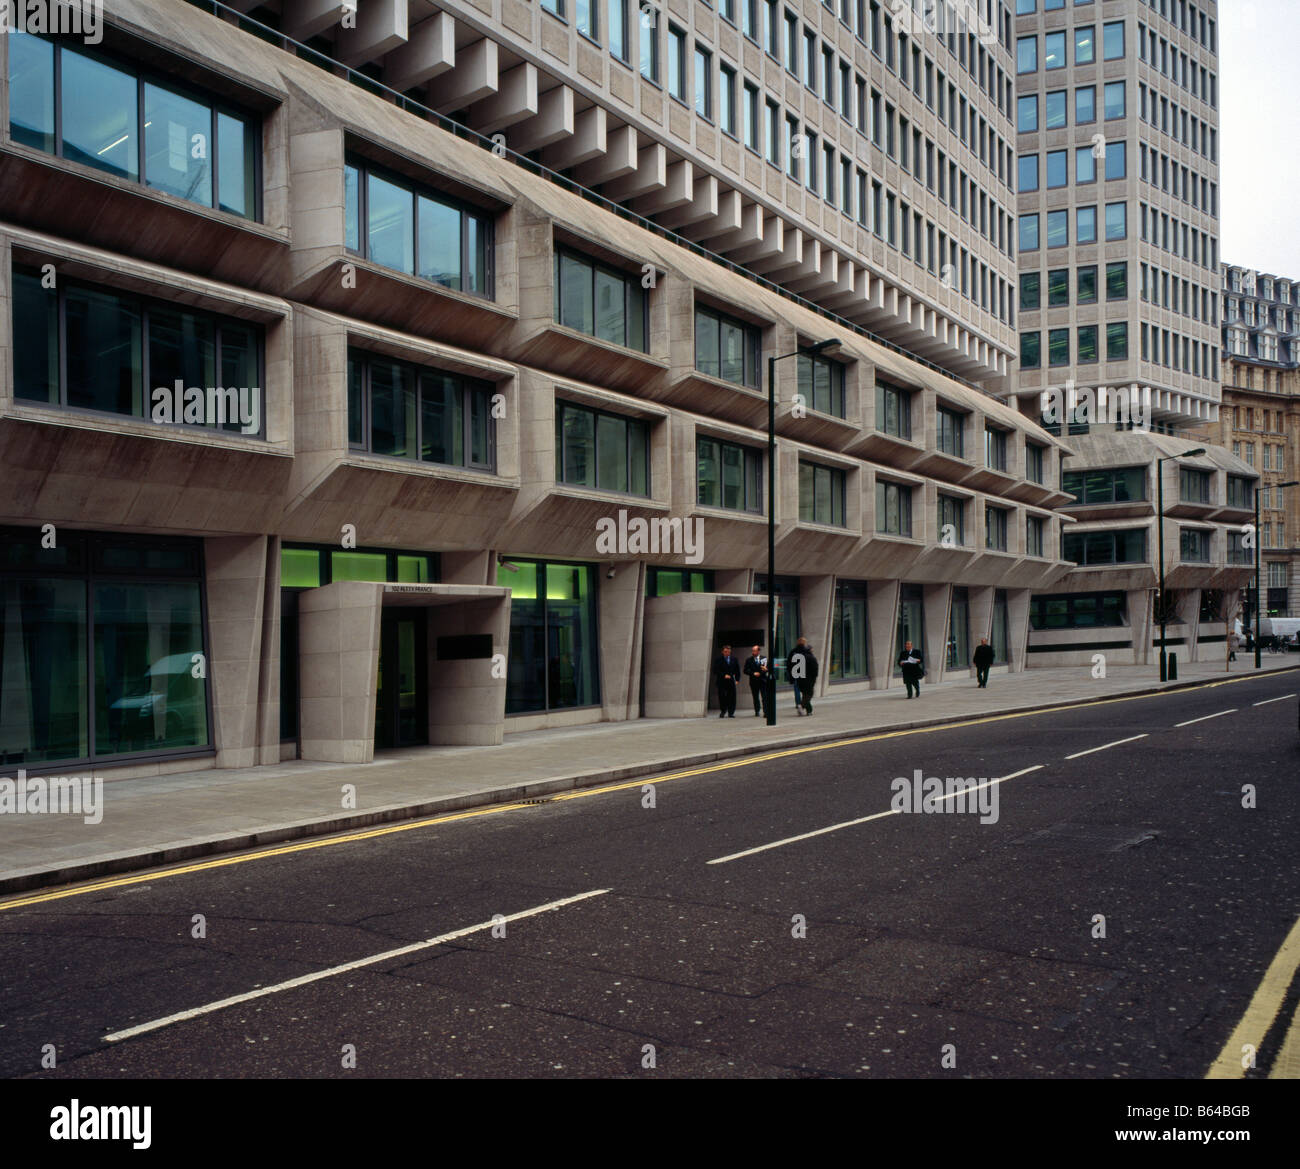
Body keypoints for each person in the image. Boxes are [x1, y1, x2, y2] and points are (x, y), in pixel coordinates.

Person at [788, 637, 819, 715]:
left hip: (798, 676)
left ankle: (808, 710)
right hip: (807, 677)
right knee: (809, 693)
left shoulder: (793, 652)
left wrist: (791, 676)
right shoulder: (807, 654)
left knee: (804, 693)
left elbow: (789, 665)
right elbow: (814, 667)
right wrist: (814, 676)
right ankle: (801, 706)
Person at [712, 644, 739, 718]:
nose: (727, 653)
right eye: (725, 651)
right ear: (722, 652)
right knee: (722, 697)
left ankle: (731, 712)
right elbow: (715, 670)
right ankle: (723, 711)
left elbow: (737, 670)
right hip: (721, 681)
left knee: (732, 697)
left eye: (728, 651)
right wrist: (724, 675)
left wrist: (737, 679)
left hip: (731, 681)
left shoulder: (734, 659)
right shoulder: (718, 660)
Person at [743, 645, 770, 717]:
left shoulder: (764, 659)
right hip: (753, 681)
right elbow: (745, 670)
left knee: (764, 697)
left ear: (758, 651)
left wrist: (763, 672)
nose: (753, 652)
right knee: (755, 697)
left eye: (754, 651)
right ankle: (757, 711)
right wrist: (753, 673)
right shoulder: (749, 660)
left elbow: (767, 668)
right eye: (752, 650)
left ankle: (766, 711)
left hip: (762, 680)